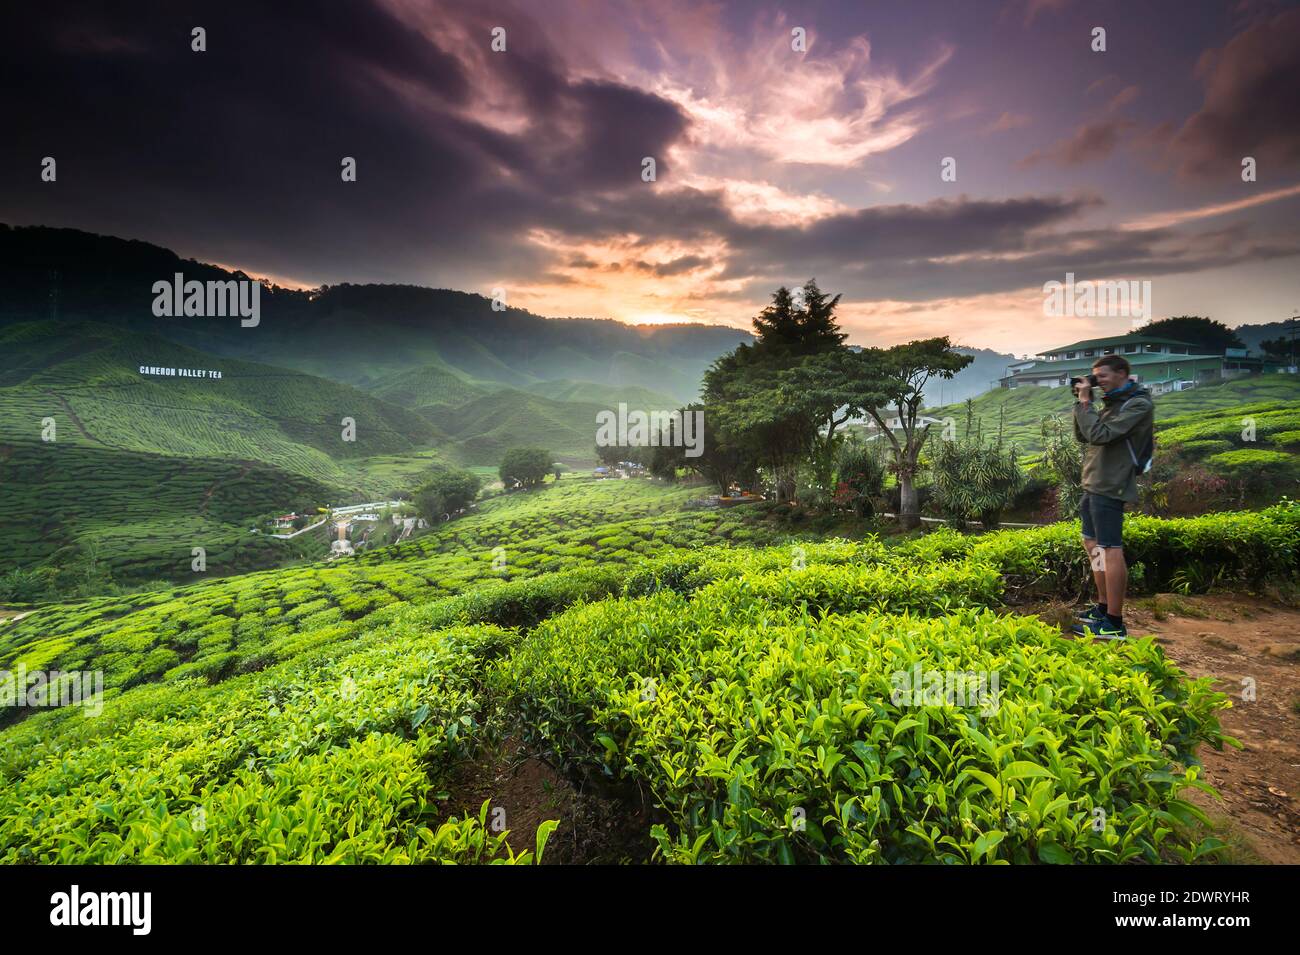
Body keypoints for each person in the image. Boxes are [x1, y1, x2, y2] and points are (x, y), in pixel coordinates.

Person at [1070, 354, 1154, 640]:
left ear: (1121, 373)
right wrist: (1081, 403)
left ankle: (1115, 623)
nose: (1098, 382)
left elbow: (1100, 435)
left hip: (1112, 483)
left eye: (1102, 376)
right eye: (1095, 377)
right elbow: (1085, 435)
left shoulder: (1137, 404)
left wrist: (1085, 403)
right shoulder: (1112, 403)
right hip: (1094, 481)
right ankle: (1103, 608)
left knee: (1110, 548)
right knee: (1092, 544)